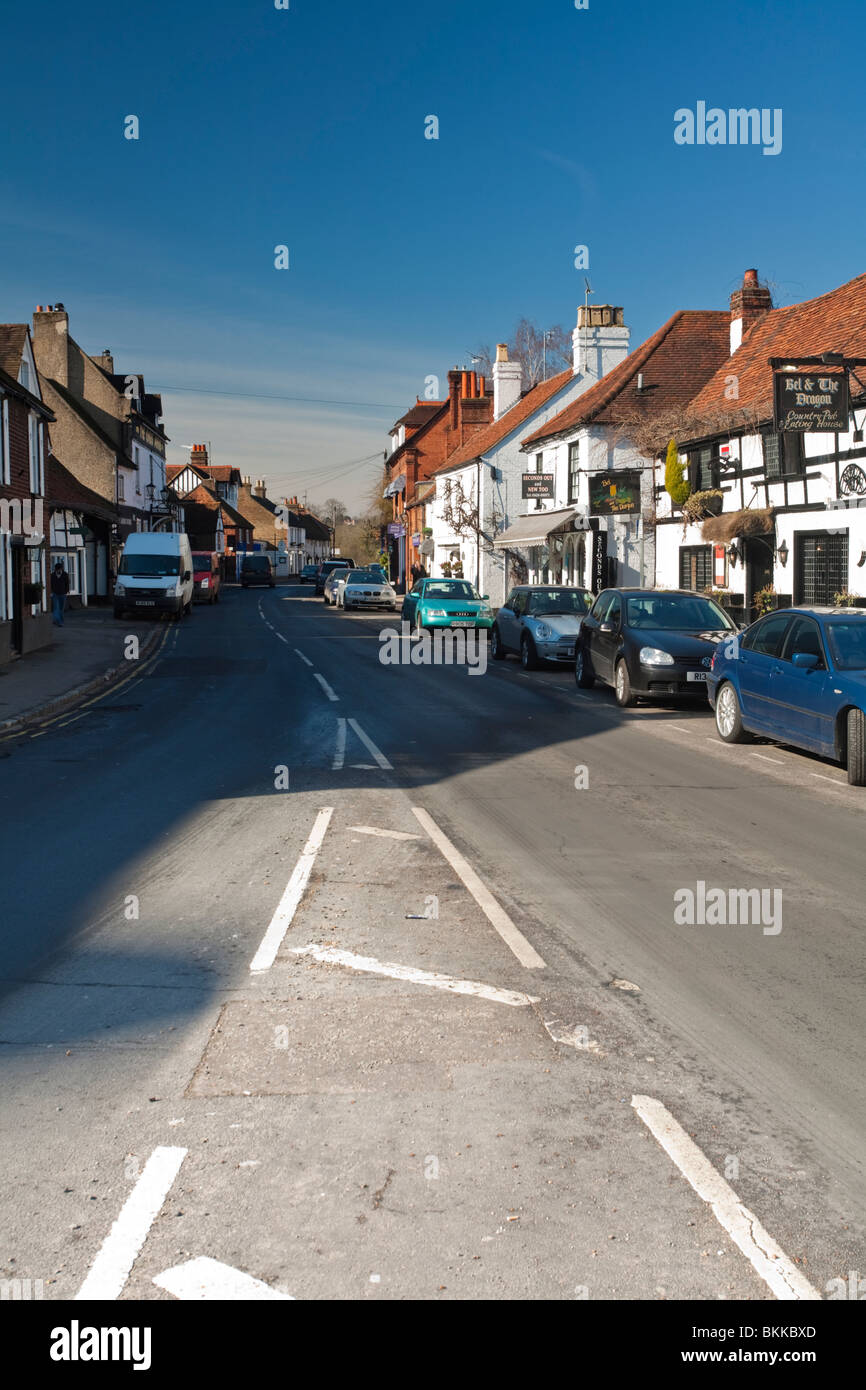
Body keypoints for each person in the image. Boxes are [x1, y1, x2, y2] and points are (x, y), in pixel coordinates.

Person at [50, 560, 70, 626]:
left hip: (63, 594)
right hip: (55, 594)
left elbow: (67, 583)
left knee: (61, 609)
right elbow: (50, 584)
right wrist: (51, 591)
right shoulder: (52, 575)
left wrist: (67, 591)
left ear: (61, 569)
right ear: (55, 569)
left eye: (60, 569)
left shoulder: (65, 574)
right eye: (57, 570)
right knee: (56, 608)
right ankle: (59, 622)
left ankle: (58, 620)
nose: (58, 571)